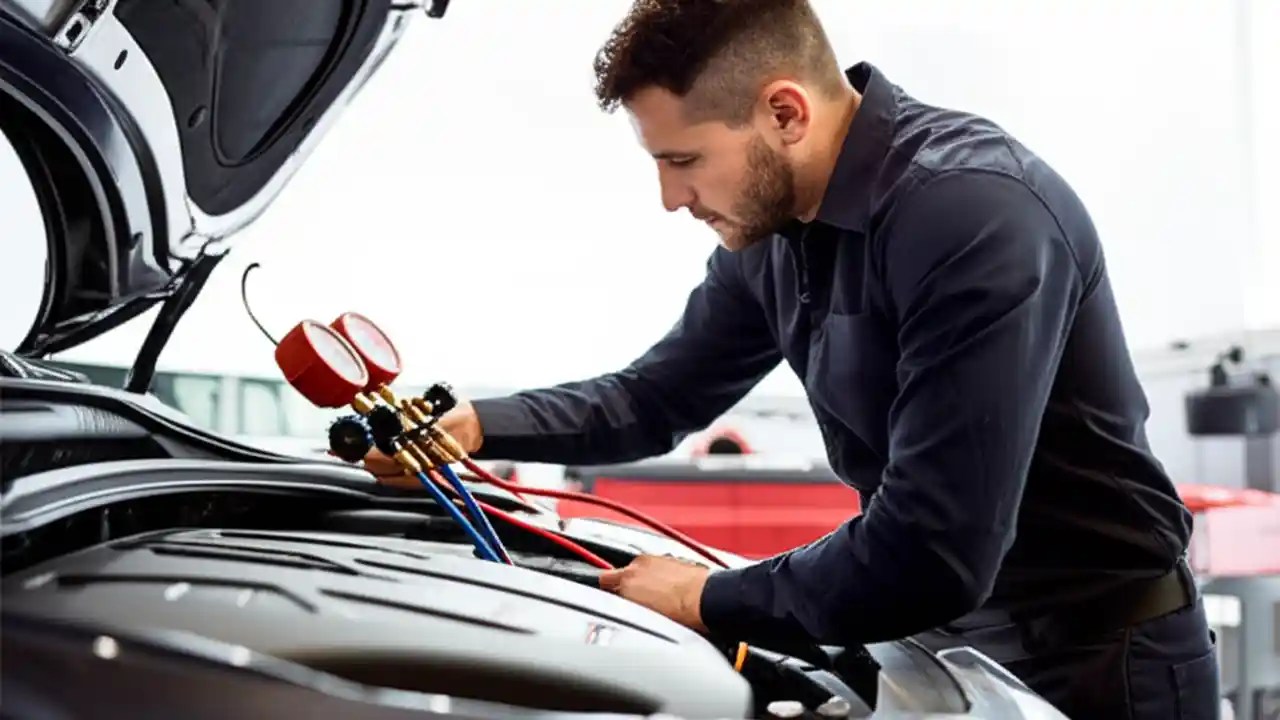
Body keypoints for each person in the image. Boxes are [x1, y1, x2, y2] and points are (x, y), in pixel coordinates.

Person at [368, 1, 1220, 716]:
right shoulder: (772, 237)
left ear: (784, 111)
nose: (671, 199)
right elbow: (654, 398)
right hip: (945, 638)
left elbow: (933, 551)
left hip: (1104, 662)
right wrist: (478, 426)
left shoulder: (973, 214)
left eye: (683, 160)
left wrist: (707, 596)